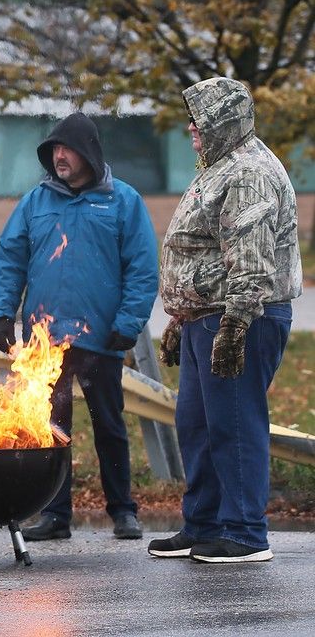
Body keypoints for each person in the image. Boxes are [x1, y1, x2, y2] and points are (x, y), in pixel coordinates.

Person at [149, 77, 300, 564]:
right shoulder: (219, 168)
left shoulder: (249, 172)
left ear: (224, 120)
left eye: (200, 119)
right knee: (197, 424)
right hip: (207, 318)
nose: (192, 128)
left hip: (241, 318)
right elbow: (206, 249)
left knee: (234, 423)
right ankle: (205, 524)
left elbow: (251, 259)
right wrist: (182, 319)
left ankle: (246, 533)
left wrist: (234, 327)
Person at [0, 112, 157, 542]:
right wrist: (3, 314)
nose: (59, 157)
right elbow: (11, 259)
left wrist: (129, 323)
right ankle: (54, 514)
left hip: (101, 337)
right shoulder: (36, 202)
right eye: (54, 150)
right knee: (51, 428)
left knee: (110, 426)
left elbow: (142, 269)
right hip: (46, 342)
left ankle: (123, 511)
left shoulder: (123, 201)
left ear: (89, 154)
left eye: (67, 150)